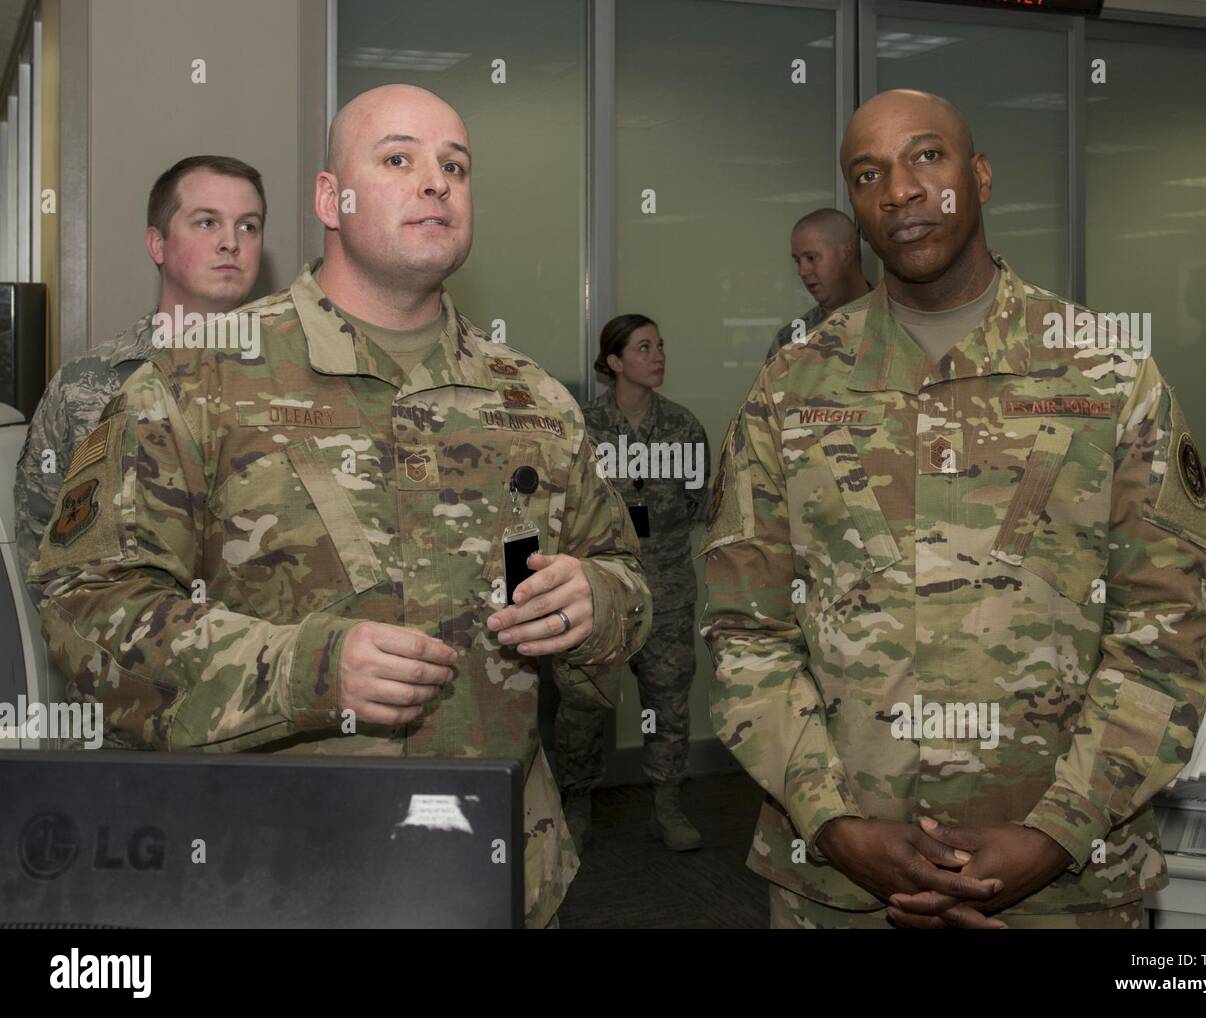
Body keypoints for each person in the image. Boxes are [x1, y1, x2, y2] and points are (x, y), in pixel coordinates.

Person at [30, 83, 651, 930]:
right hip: (272, 875)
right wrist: (303, 670)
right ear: (330, 199)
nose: (435, 182)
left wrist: (596, 602)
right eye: (398, 159)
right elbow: (85, 606)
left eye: (455, 167)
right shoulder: (197, 381)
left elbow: (623, 575)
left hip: (496, 871)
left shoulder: (532, 398)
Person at [700, 89, 1206, 929]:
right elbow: (744, 633)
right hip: (840, 887)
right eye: (868, 174)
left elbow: (1165, 634)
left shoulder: (1108, 375)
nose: (900, 189)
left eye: (926, 156)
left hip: (1064, 891)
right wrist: (834, 822)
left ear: (978, 175)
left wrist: (1057, 832)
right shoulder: (792, 387)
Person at [15, 154, 266, 586]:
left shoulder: (294, 380)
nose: (231, 242)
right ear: (157, 244)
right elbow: (42, 551)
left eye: (248, 226)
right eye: (207, 222)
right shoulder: (85, 386)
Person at [554, 315, 710, 852]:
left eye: (660, 345)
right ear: (615, 361)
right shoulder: (583, 425)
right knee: (585, 701)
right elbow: (567, 506)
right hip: (598, 591)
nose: (658, 355)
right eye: (644, 347)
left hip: (667, 590)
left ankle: (667, 806)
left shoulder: (684, 427)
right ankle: (576, 804)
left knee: (668, 701)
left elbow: (695, 503)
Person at [766, 208, 872, 360]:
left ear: (846, 254)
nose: (802, 271)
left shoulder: (895, 321)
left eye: (811, 258)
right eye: (798, 261)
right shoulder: (791, 339)